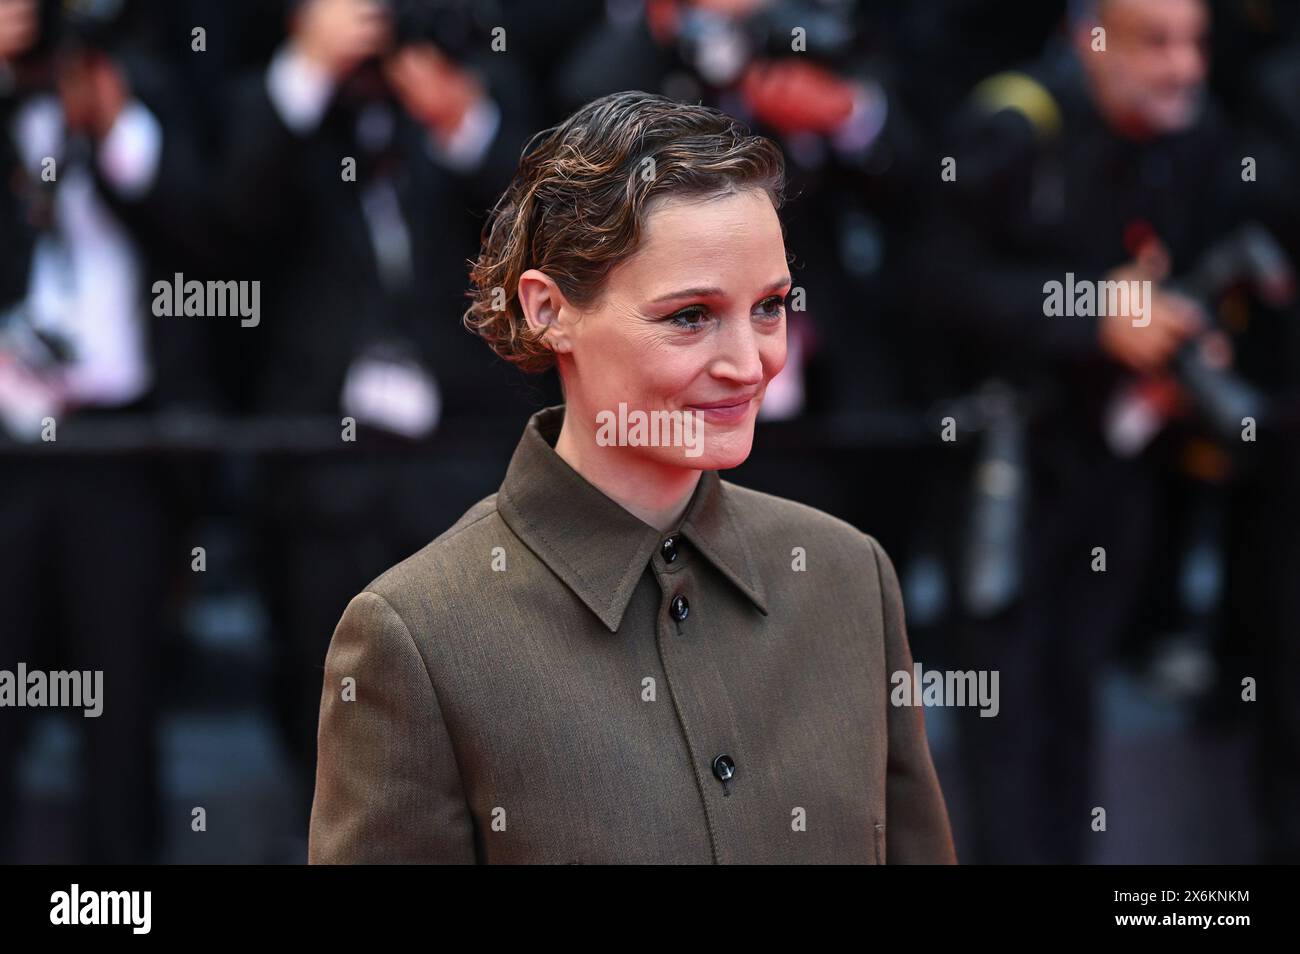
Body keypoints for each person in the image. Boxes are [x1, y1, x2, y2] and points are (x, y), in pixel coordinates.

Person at [307, 90, 957, 864]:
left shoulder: (849, 576)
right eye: (689, 316)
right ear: (549, 310)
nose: (750, 366)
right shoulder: (414, 636)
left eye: (771, 307)